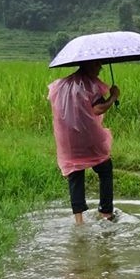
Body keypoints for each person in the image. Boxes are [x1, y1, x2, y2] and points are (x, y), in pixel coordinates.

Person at [47, 60, 121, 224]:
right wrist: (113, 97)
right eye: (97, 65)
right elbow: (98, 109)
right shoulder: (91, 85)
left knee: (75, 172)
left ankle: (79, 221)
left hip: (68, 139)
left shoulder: (62, 85)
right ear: (87, 65)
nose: (100, 68)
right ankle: (106, 213)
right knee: (105, 167)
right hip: (89, 136)